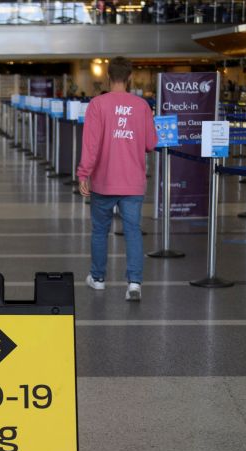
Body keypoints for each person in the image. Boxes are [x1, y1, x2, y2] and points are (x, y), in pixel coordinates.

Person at [76, 56, 156, 302]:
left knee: (100, 230)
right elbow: (151, 144)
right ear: (130, 77)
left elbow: (91, 144)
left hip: (104, 180)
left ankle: (98, 279)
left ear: (108, 77)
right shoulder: (141, 105)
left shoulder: (98, 105)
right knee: (133, 231)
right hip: (132, 181)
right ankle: (134, 283)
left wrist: (83, 173)